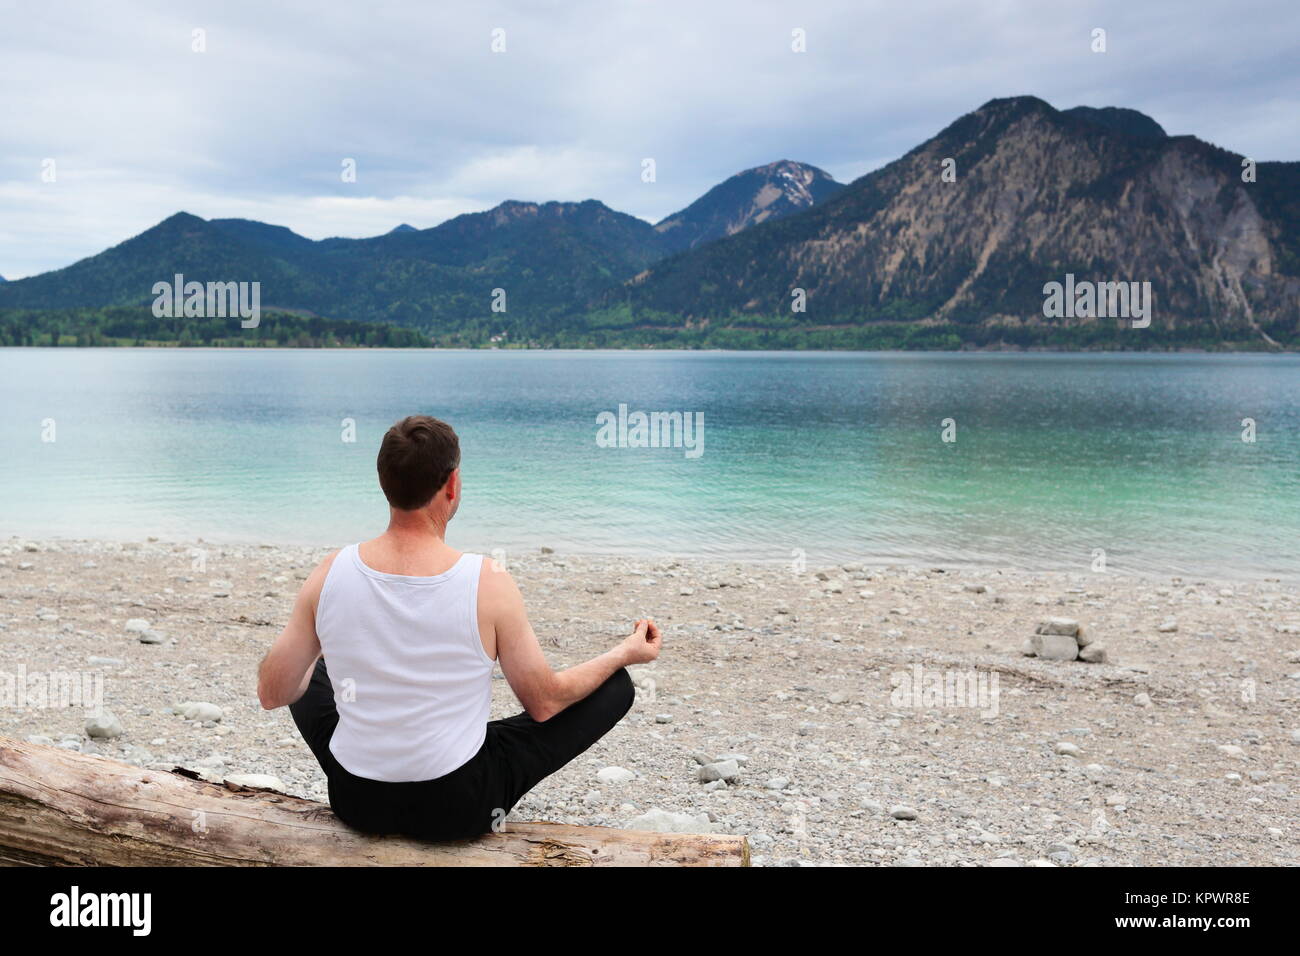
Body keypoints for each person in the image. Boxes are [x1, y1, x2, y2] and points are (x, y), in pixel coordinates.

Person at [256, 414, 662, 840]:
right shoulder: (487, 580)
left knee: (310, 670)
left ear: (383, 482)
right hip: (457, 806)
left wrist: (339, 637)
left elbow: (273, 693)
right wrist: (625, 652)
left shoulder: (330, 572)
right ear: (452, 485)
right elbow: (544, 702)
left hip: (358, 800)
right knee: (616, 687)